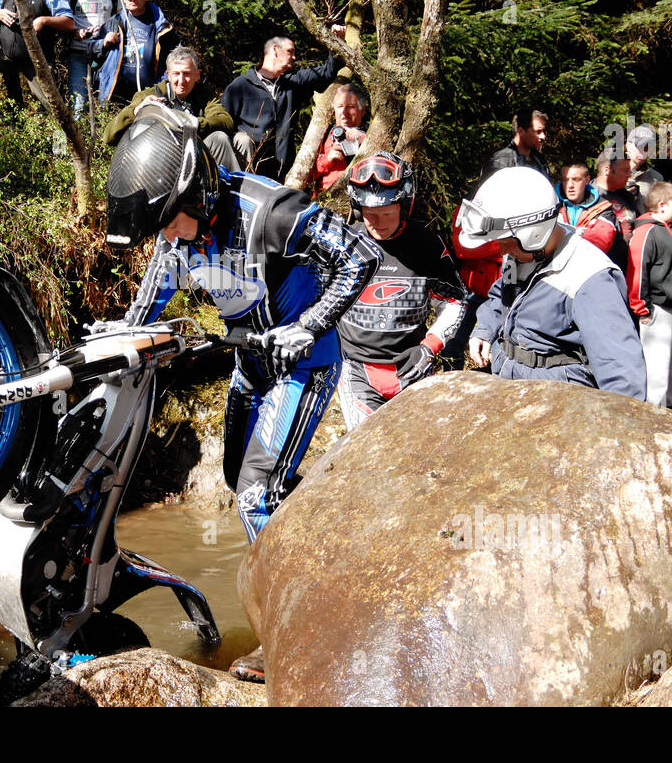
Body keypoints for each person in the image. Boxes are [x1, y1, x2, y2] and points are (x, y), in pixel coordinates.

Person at [105, 103, 379, 681]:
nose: (167, 240)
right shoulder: (176, 235)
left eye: (170, 224)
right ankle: (330, 558)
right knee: (241, 479)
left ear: (196, 197)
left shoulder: (270, 211)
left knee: (255, 494)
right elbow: (142, 312)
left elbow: (361, 256)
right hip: (252, 363)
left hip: (305, 362)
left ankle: (293, 634)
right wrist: (111, 345)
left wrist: (307, 326)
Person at [462, 166, 646, 399]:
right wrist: (485, 328)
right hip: (508, 384)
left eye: (505, 241)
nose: (501, 249)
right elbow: (503, 296)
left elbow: (621, 372)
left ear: (533, 232)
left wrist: (618, 427)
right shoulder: (521, 250)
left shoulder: (590, 277)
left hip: (557, 399)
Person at [336, 152, 466, 427]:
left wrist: (430, 347)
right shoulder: (345, 243)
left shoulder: (427, 245)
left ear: (404, 206)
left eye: (386, 213)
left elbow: (455, 301)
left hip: (412, 366)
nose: (377, 222)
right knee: (366, 454)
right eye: (369, 214)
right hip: (358, 369)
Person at [223, 35, 342, 181]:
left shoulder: (293, 82)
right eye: (290, 51)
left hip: (283, 173)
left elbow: (326, 73)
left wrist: (336, 40)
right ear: (275, 50)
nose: (294, 57)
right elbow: (225, 126)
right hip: (247, 171)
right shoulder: (240, 86)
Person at [102, 46, 236, 171]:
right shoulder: (148, 96)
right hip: (159, 162)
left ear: (197, 75)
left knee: (220, 139)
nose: (181, 80)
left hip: (195, 156)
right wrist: (138, 110)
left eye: (187, 74)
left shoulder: (204, 95)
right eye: (176, 74)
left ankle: (233, 191)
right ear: (168, 74)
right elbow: (109, 136)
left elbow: (225, 121)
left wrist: (191, 124)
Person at [627, 181, 672, 408]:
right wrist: (641, 308)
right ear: (661, 205)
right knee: (658, 368)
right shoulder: (646, 231)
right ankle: (655, 413)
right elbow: (637, 271)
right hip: (659, 309)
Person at [91, 0, 178, 108]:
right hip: (115, 96)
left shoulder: (162, 26)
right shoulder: (115, 22)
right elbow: (90, 48)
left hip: (149, 96)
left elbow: (176, 57)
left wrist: (163, 86)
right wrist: (103, 43)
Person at [64, 0, 116, 114]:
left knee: (106, 102)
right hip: (78, 52)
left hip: (105, 54)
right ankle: (78, 137)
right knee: (79, 105)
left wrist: (110, 35)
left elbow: (120, 20)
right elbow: (62, 19)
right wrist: (75, 32)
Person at [310, 84, 366, 194]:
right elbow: (303, 175)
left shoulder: (371, 135)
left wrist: (362, 139)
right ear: (334, 109)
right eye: (340, 107)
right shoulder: (322, 134)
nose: (344, 114)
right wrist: (327, 160)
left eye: (350, 107)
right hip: (324, 201)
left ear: (362, 110)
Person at [556, 160, 619, 255]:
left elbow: (602, 241)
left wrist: (562, 233)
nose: (570, 185)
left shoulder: (603, 208)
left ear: (587, 180)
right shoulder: (551, 203)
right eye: (565, 179)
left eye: (576, 179)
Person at [478, 108, 549, 184]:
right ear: (520, 131)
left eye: (543, 131)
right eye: (538, 131)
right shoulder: (501, 161)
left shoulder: (540, 161)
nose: (543, 136)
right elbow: (487, 193)